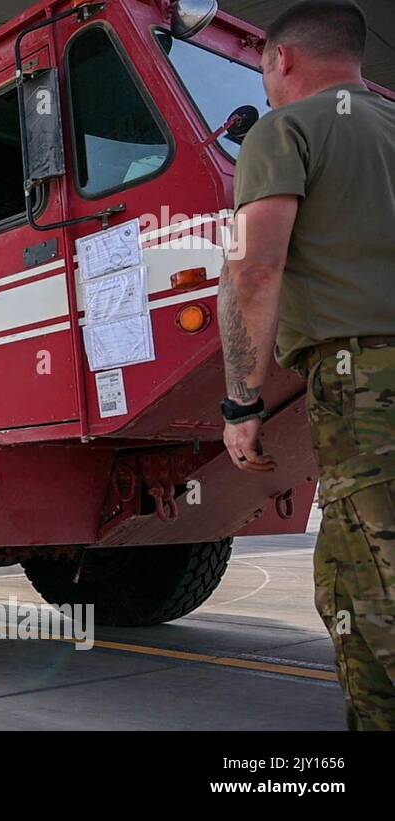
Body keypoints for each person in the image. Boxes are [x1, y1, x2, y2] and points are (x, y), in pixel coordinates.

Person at [218, 0, 395, 730]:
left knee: (375, 591)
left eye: (262, 71)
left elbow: (255, 270)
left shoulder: (283, 130)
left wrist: (241, 403)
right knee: (346, 587)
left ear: (281, 58)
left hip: (365, 388)